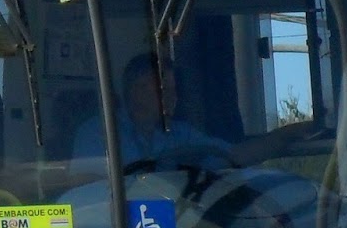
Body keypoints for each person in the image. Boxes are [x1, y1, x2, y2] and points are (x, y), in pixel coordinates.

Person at [71, 52, 233, 173]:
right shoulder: (97, 134)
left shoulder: (179, 133)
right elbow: (88, 191)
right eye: (164, 90)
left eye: (173, 91)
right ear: (137, 91)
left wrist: (257, 150)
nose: (172, 97)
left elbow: (231, 154)